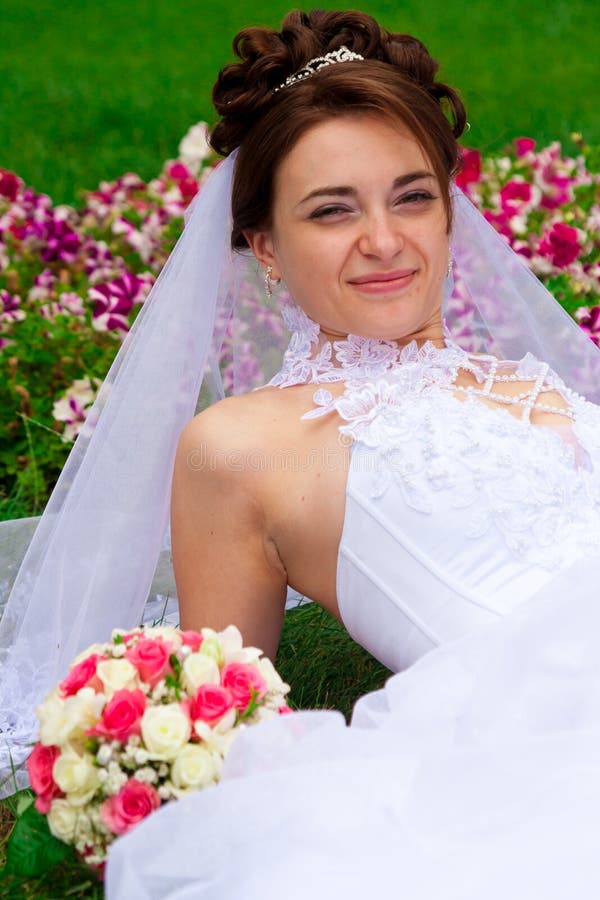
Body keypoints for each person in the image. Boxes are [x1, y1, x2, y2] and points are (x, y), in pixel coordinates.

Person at [3, 8, 600, 896]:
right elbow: (229, 715)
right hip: (552, 732)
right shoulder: (242, 446)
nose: (386, 241)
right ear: (266, 250)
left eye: (412, 196)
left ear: (448, 210)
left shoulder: (545, 387)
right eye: (332, 211)